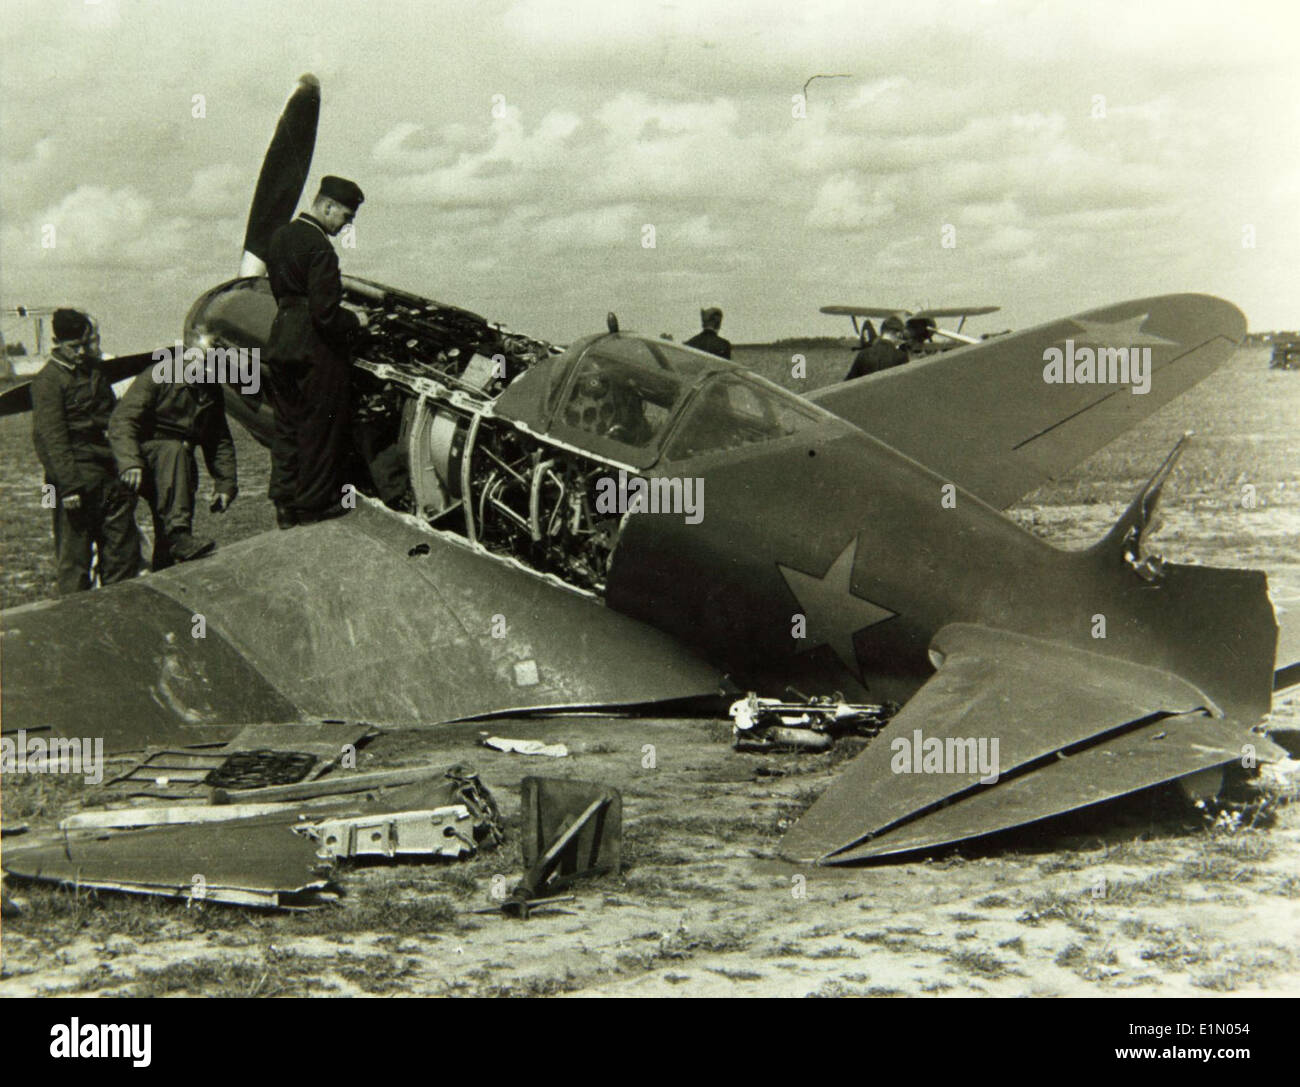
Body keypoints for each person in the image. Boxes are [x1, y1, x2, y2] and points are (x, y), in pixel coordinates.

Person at [263, 175, 367, 527]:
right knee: (320, 429)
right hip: (314, 349)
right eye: (346, 217)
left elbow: (283, 295)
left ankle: (284, 502)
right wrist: (356, 320)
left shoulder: (280, 237)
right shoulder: (320, 247)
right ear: (328, 207)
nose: (346, 225)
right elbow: (325, 315)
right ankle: (313, 506)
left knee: (287, 427)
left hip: (281, 341)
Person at [29, 308, 141, 594]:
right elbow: (51, 439)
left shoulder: (95, 371)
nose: (80, 352)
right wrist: (69, 488)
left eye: (84, 344)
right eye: (73, 347)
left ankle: (118, 609)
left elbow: (112, 418)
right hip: (76, 479)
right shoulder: (47, 382)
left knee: (121, 554)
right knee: (75, 562)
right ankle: (75, 616)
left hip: (109, 474)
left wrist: (124, 463)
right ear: (56, 343)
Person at [108, 359, 238, 569]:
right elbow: (122, 420)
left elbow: (218, 438)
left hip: (177, 465)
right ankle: (179, 534)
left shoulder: (211, 389)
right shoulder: (158, 375)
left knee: (166, 534)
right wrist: (130, 462)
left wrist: (225, 484)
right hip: (142, 455)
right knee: (173, 450)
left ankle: (171, 552)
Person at [844, 314, 909, 379]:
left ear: (882, 332)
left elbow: (849, 381)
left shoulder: (863, 354)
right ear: (898, 334)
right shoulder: (901, 357)